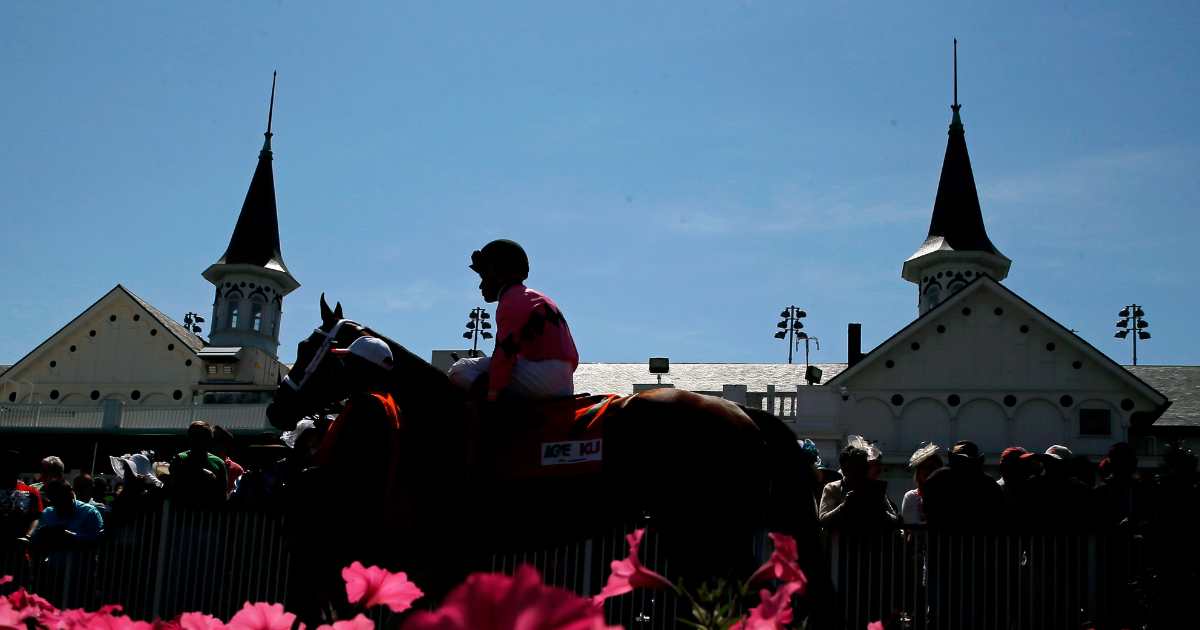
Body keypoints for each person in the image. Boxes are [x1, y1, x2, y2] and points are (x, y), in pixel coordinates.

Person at [448, 239, 579, 405]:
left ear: (493, 270)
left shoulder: (512, 300)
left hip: (542, 378)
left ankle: (501, 413)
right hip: (564, 380)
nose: (481, 286)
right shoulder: (535, 297)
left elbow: (504, 354)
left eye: (483, 276)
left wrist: (493, 397)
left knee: (459, 368)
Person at [921, 441, 1004, 530]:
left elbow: (996, 516)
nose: (963, 466)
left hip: (974, 541)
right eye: (959, 461)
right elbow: (929, 513)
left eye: (967, 462)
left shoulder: (988, 483)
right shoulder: (937, 479)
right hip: (944, 540)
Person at [819, 441, 901, 531]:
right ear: (845, 470)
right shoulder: (833, 488)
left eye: (867, 467)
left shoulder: (874, 489)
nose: (864, 471)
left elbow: (895, 521)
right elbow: (824, 520)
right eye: (859, 467)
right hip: (841, 544)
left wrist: (881, 512)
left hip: (870, 544)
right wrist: (845, 506)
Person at [1023, 445, 1097, 531]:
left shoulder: (1082, 490)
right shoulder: (1033, 484)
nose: (1047, 465)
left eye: (1053, 462)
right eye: (1046, 461)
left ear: (1066, 465)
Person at [1094, 442, 1157, 529]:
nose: (1122, 466)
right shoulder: (1101, 492)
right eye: (1118, 462)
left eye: (1126, 461)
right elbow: (1094, 522)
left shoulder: (1147, 491)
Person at [167, 421, 229, 509]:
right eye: (192, 436)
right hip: (184, 513)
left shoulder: (218, 462)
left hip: (209, 514)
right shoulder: (180, 459)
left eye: (200, 436)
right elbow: (172, 487)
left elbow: (223, 493)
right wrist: (201, 475)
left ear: (209, 438)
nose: (196, 439)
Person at [33, 480, 104, 547]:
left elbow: (98, 537)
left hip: (81, 559)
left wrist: (71, 536)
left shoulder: (89, 512)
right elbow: (34, 536)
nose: (59, 506)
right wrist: (41, 533)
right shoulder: (48, 513)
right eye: (55, 502)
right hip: (54, 559)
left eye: (62, 501)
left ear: (72, 495)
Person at [0, 450, 42, 546]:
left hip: (20, 552)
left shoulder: (31, 492)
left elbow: (37, 518)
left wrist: (27, 536)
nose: (7, 468)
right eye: (4, 464)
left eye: (11, 465)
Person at [901, 444, 943, 525]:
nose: (928, 471)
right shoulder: (912, 496)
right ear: (919, 473)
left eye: (933, 468)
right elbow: (912, 526)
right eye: (925, 467)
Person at [996, 447, 1036, 526]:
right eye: (1022, 462)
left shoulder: (1032, 489)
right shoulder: (995, 490)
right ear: (1007, 466)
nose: (1028, 466)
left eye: (1028, 462)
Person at [211, 426, 245, 495]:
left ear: (226, 444)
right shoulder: (200, 464)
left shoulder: (236, 470)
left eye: (215, 440)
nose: (210, 443)